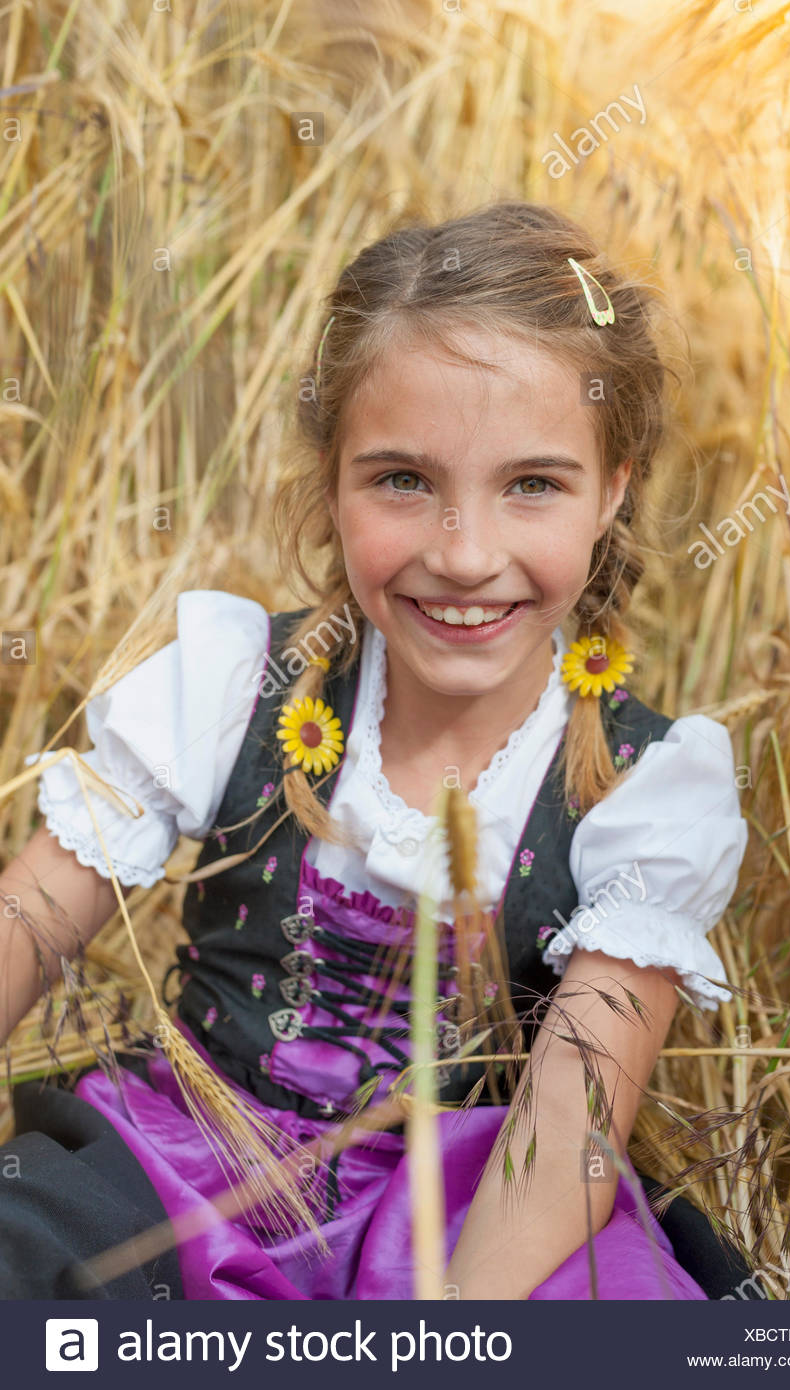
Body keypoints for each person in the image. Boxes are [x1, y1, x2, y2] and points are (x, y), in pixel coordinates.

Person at [0, 200, 749, 1301]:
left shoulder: (639, 786)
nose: (465, 554)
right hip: (184, 1167)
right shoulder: (236, 684)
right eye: (403, 479)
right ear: (332, 476)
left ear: (614, 490)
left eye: (532, 484)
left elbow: (562, 1144)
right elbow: (24, 926)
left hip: (478, 1206)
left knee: (611, 1319)